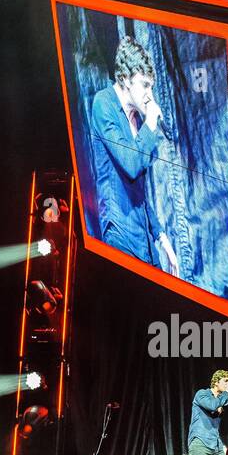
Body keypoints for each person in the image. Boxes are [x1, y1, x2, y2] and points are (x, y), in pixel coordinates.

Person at [89, 36, 181, 276]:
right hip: (119, 233)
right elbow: (130, 165)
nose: (150, 94)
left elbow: (139, 191)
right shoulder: (103, 103)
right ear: (124, 79)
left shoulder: (137, 121)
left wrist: (161, 236)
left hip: (143, 238)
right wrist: (150, 124)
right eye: (144, 85)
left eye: (151, 86)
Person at [184, 369, 228, 455]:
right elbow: (212, 405)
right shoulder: (202, 394)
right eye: (225, 381)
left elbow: (222, 404)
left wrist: (224, 396)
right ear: (216, 382)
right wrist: (226, 394)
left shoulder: (222, 399)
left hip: (216, 446)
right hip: (200, 441)